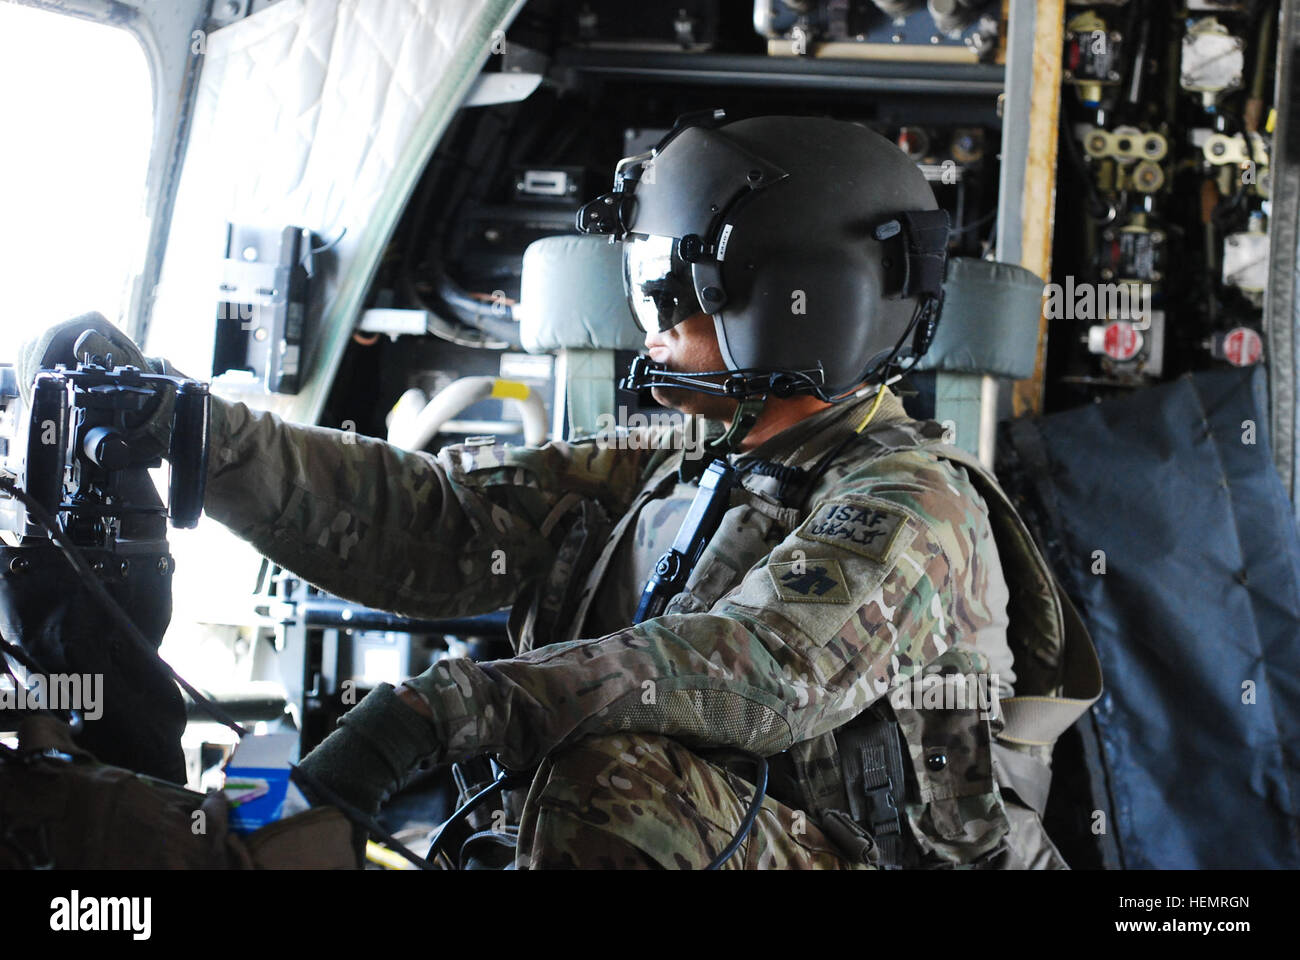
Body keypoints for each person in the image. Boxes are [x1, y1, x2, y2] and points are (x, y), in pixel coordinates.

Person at [21, 115, 1096, 869]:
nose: (650, 325)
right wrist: (196, 429)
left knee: (610, 790)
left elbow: (762, 670)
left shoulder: (912, 509)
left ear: (799, 306)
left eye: (680, 294)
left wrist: (449, 707)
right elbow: (439, 527)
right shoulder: (682, 463)